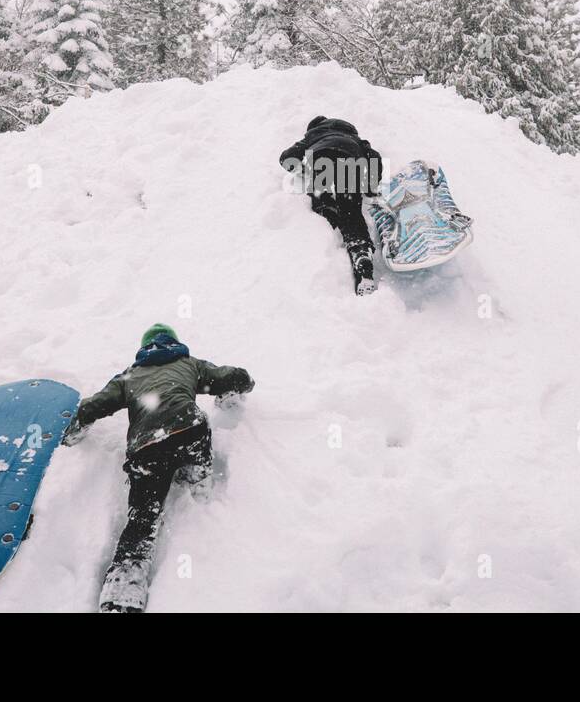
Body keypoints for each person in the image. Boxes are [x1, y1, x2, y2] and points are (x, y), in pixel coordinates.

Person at [62, 323, 254, 613]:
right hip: (189, 429)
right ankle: (196, 474)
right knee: (195, 442)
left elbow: (95, 406)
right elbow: (228, 376)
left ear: (144, 348)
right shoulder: (188, 364)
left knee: (143, 515)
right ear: (173, 343)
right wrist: (244, 383)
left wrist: (74, 429)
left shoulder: (129, 376)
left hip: (147, 447)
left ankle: (124, 584)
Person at [279, 115, 383, 295]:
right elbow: (374, 156)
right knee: (351, 210)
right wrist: (370, 187)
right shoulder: (353, 137)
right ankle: (360, 252)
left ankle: (331, 221)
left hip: (320, 158)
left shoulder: (313, 135)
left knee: (322, 203)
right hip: (350, 158)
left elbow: (286, 158)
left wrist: (302, 170)